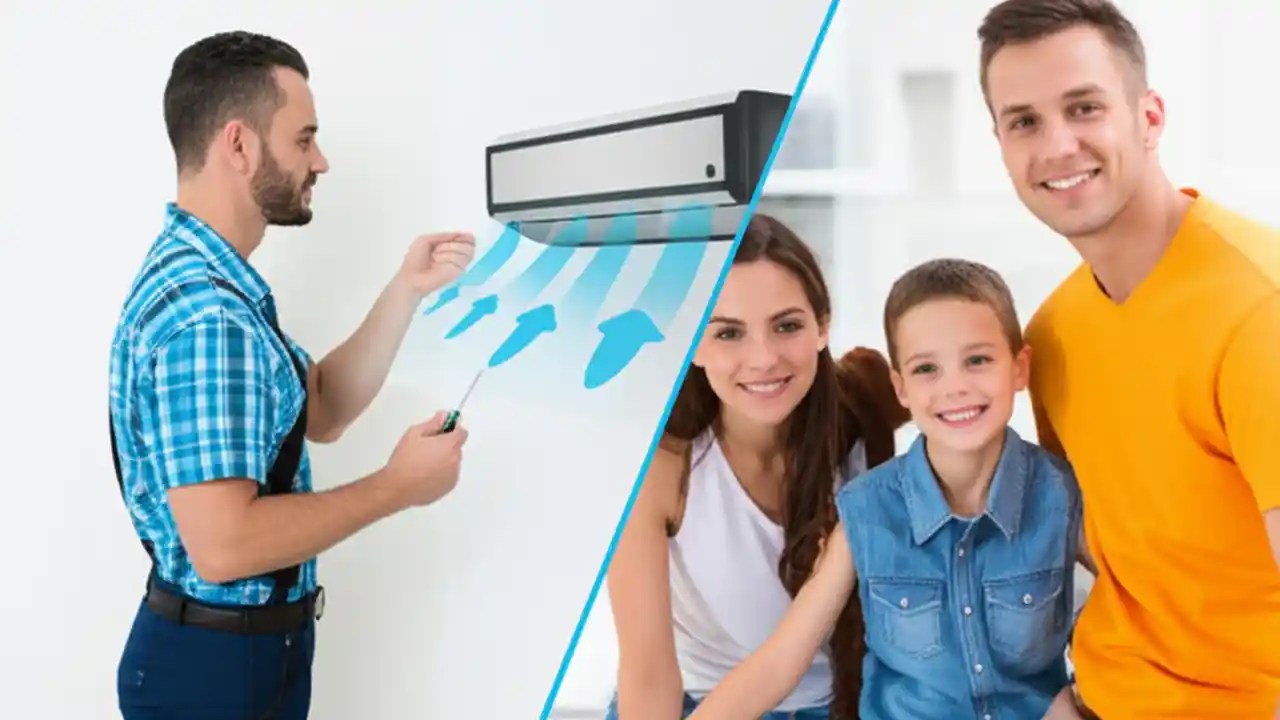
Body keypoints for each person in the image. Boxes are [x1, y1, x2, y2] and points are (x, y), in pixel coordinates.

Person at [109, 31, 475, 719]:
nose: (321, 161)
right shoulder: (207, 316)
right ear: (240, 144)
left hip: (232, 658)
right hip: (212, 675)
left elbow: (324, 408)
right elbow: (225, 546)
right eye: (304, 139)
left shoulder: (220, 288)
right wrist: (399, 486)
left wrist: (405, 289)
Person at [977, 0, 1280, 716]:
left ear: (1149, 118)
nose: (1056, 146)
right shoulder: (1051, 334)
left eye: (1084, 108)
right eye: (1025, 121)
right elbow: (1124, 549)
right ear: (1001, 143)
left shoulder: (1258, 310)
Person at [688, 258, 1087, 720]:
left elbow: (1147, 608)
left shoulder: (1061, 496)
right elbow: (778, 664)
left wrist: (1078, 698)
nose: (955, 386)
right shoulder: (866, 510)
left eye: (977, 360)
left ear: (1019, 368)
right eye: (926, 369)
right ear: (900, 387)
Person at [604, 213, 910, 719]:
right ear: (694, 344)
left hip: (841, 705)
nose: (763, 358)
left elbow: (962, 406)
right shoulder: (658, 469)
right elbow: (648, 677)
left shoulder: (866, 401)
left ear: (822, 326)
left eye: (786, 326)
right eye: (729, 334)